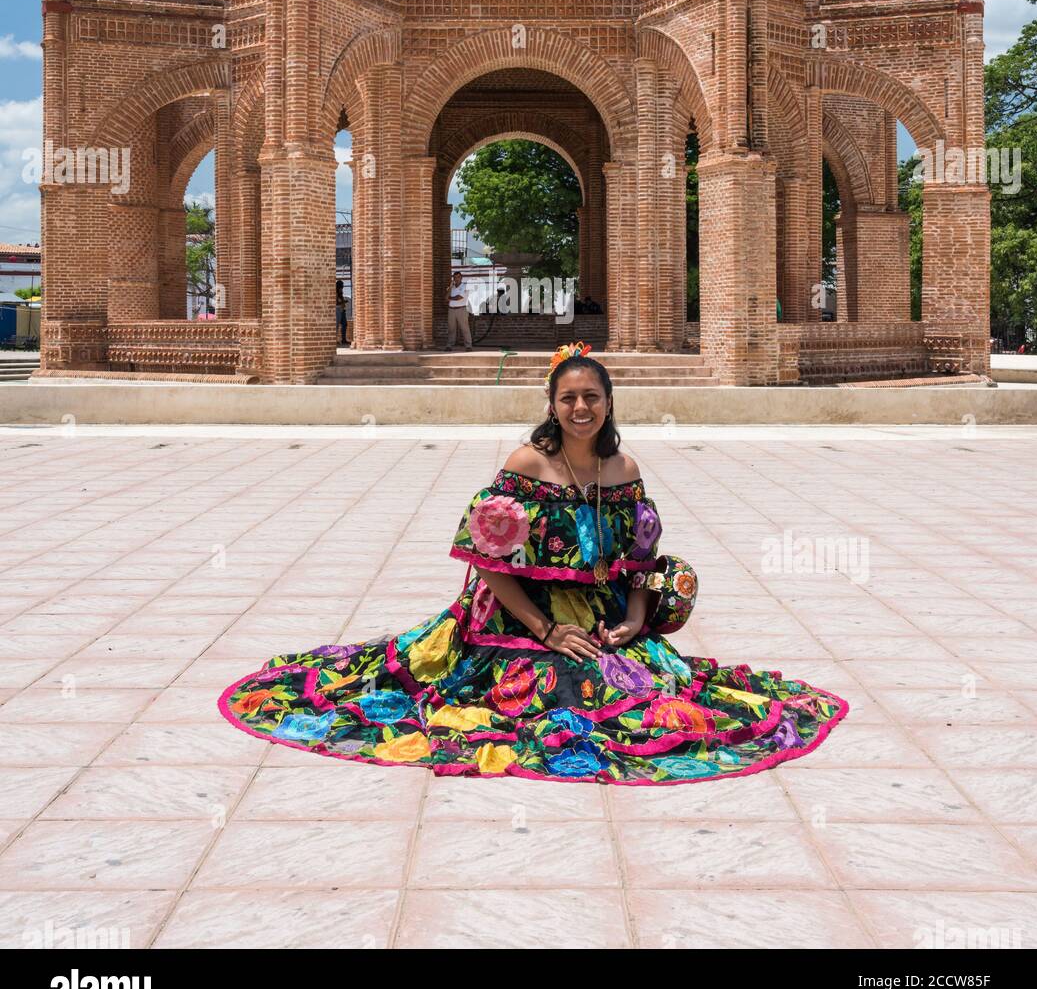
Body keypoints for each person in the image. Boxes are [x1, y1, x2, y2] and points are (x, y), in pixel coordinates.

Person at [218, 341, 849, 785]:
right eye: (568, 398)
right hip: (515, 618)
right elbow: (486, 555)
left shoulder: (623, 469)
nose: (581, 408)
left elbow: (638, 559)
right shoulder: (526, 464)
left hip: (599, 615)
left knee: (652, 696)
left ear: (609, 403)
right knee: (536, 699)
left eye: (592, 397)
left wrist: (633, 619)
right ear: (552, 404)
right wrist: (543, 628)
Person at [445, 270, 473, 351]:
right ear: (453, 278)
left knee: (465, 328)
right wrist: (450, 287)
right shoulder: (452, 287)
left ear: (461, 278)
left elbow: (459, 297)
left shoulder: (465, 287)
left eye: (458, 277)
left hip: (461, 309)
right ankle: (449, 345)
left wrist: (450, 298)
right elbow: (446, 298)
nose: (457, 279)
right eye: (455, 277)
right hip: (451, 310)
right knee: (451, 328)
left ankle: (468, 346)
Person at [335, 278, 347, 346]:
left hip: (342, 310)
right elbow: (336, 302)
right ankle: (335, 340)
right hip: (338, 310)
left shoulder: (340, 292)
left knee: (345, 324)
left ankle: (344, 339)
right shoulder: (336, 292)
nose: (343, 287)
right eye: (342, 285)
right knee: (336, 326)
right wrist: (343, 301)